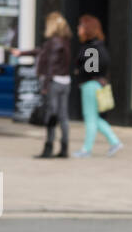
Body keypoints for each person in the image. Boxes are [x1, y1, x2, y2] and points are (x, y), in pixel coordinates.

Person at [10, 12, 73, 158]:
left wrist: (45, 86)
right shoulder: (64, 41)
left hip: (53, 83)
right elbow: (41, 51)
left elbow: (50, 66)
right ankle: (64, 148)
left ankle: (48, 148)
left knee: (50, 116)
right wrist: (22, 53)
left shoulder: (53, 42)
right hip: (65, 82)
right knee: (63, 117)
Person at [72, 15, 123, 157]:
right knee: (94, 117)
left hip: (90, 86)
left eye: (81, 26)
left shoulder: (92, 47)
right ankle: (114, 141)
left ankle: (86, 149)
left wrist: (78, 71)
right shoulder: (98, 45)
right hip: (96, 85)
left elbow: (90, 69)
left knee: (90, 117)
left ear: (87, 29)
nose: (78, 28)